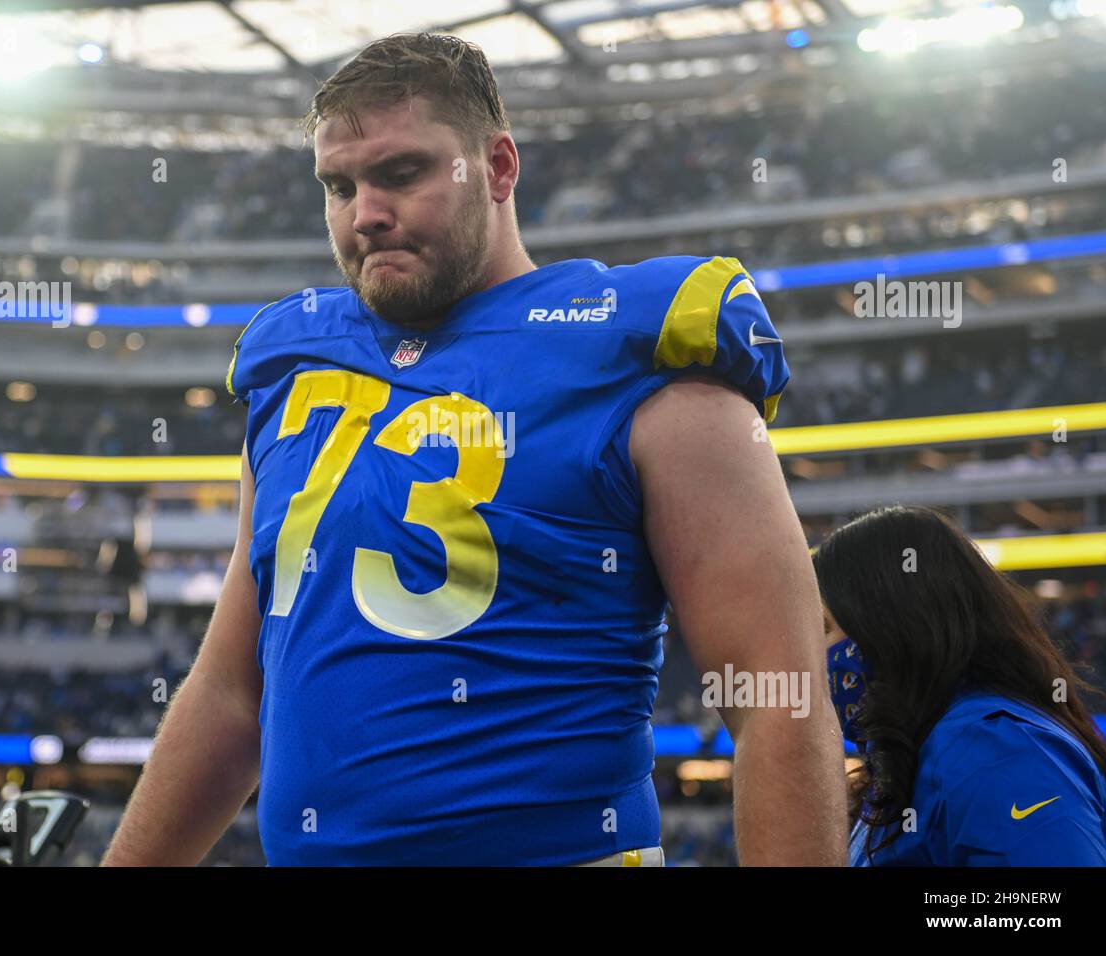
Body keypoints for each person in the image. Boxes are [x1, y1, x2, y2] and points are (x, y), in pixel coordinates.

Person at [103, 32, 846, 866]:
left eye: (402, 173)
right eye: (338, 185)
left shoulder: (641, 355)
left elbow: (777, 701)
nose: (365, 213)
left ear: (496, 168)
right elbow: (233, 695)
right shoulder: (295, 367)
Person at [815, 505, 1106, 865]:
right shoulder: (914, 756)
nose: (816, 650)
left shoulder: (997, 749)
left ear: (889, 624)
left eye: (826, 628)